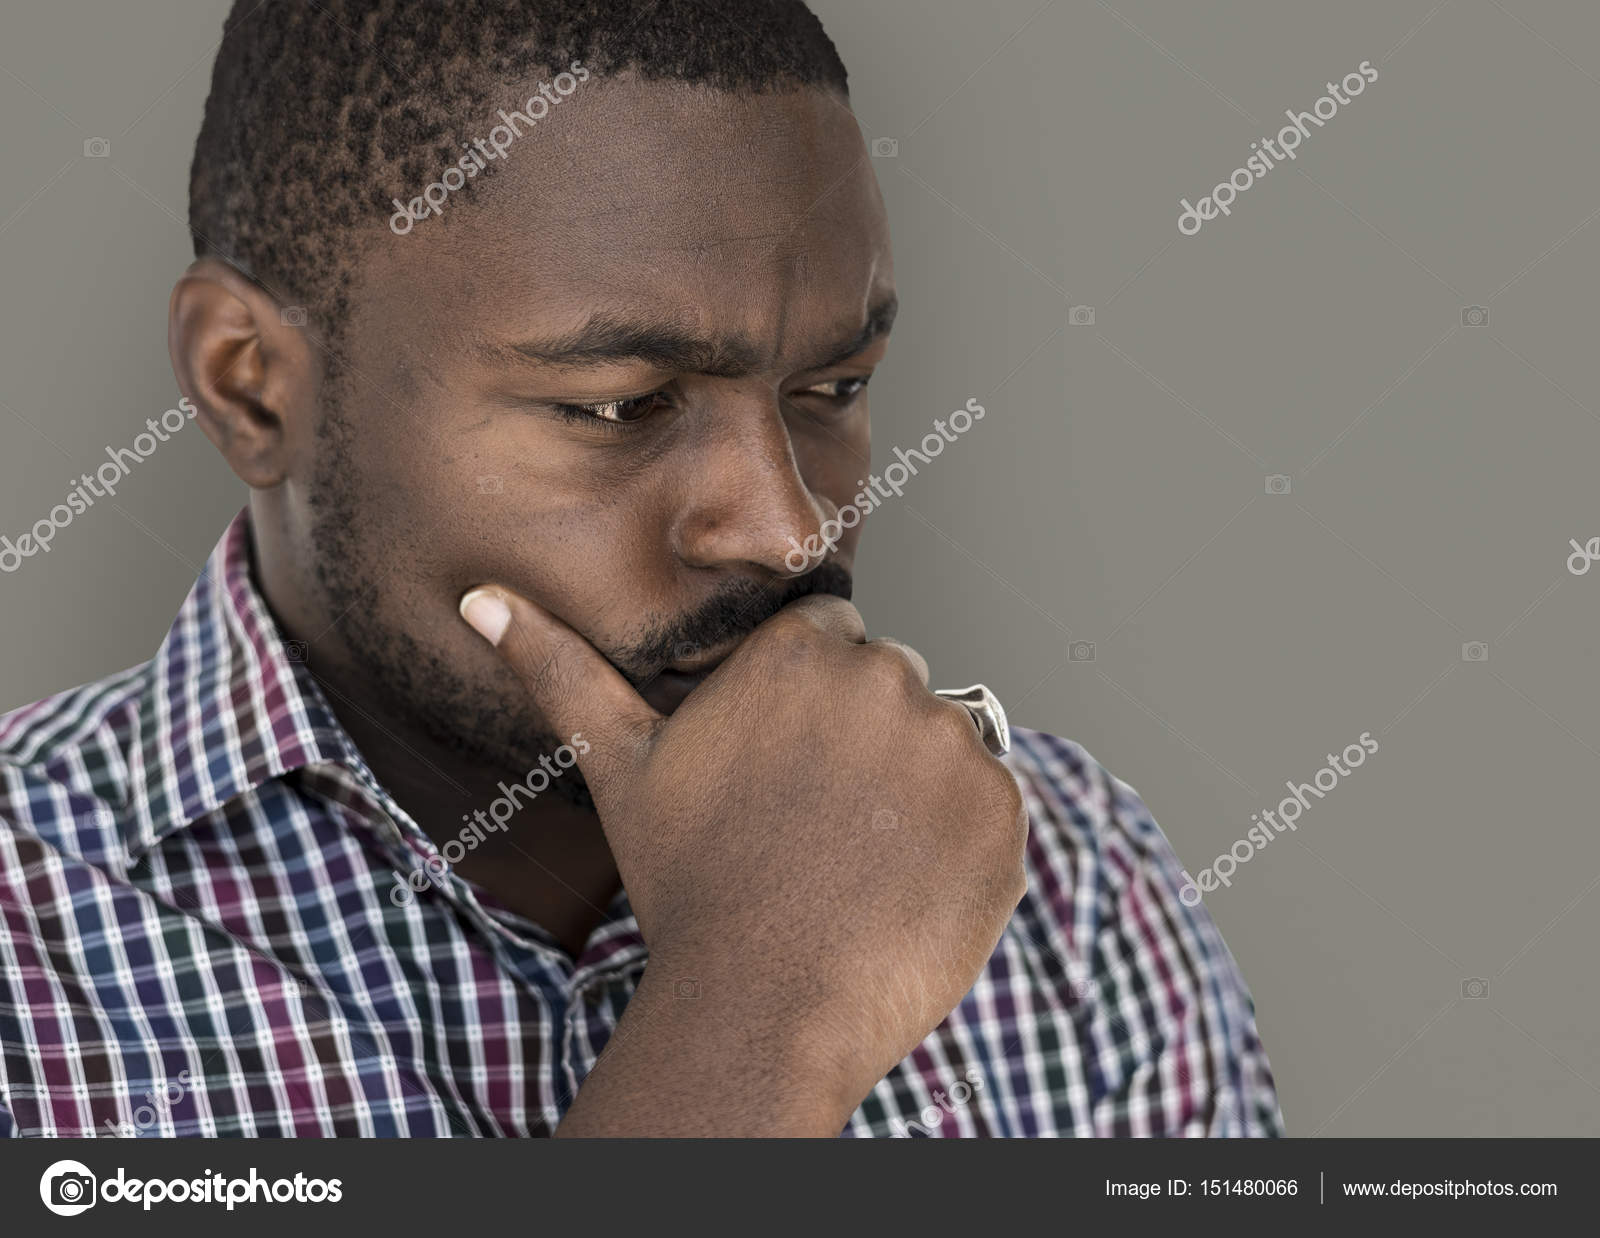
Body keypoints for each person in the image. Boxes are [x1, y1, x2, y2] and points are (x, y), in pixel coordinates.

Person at [0, 0, 1280, 1137]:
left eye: (831, 388)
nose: (789, 528)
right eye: (623, 405)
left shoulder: (1071, 877)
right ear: (248, 382)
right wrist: (757, 1007)